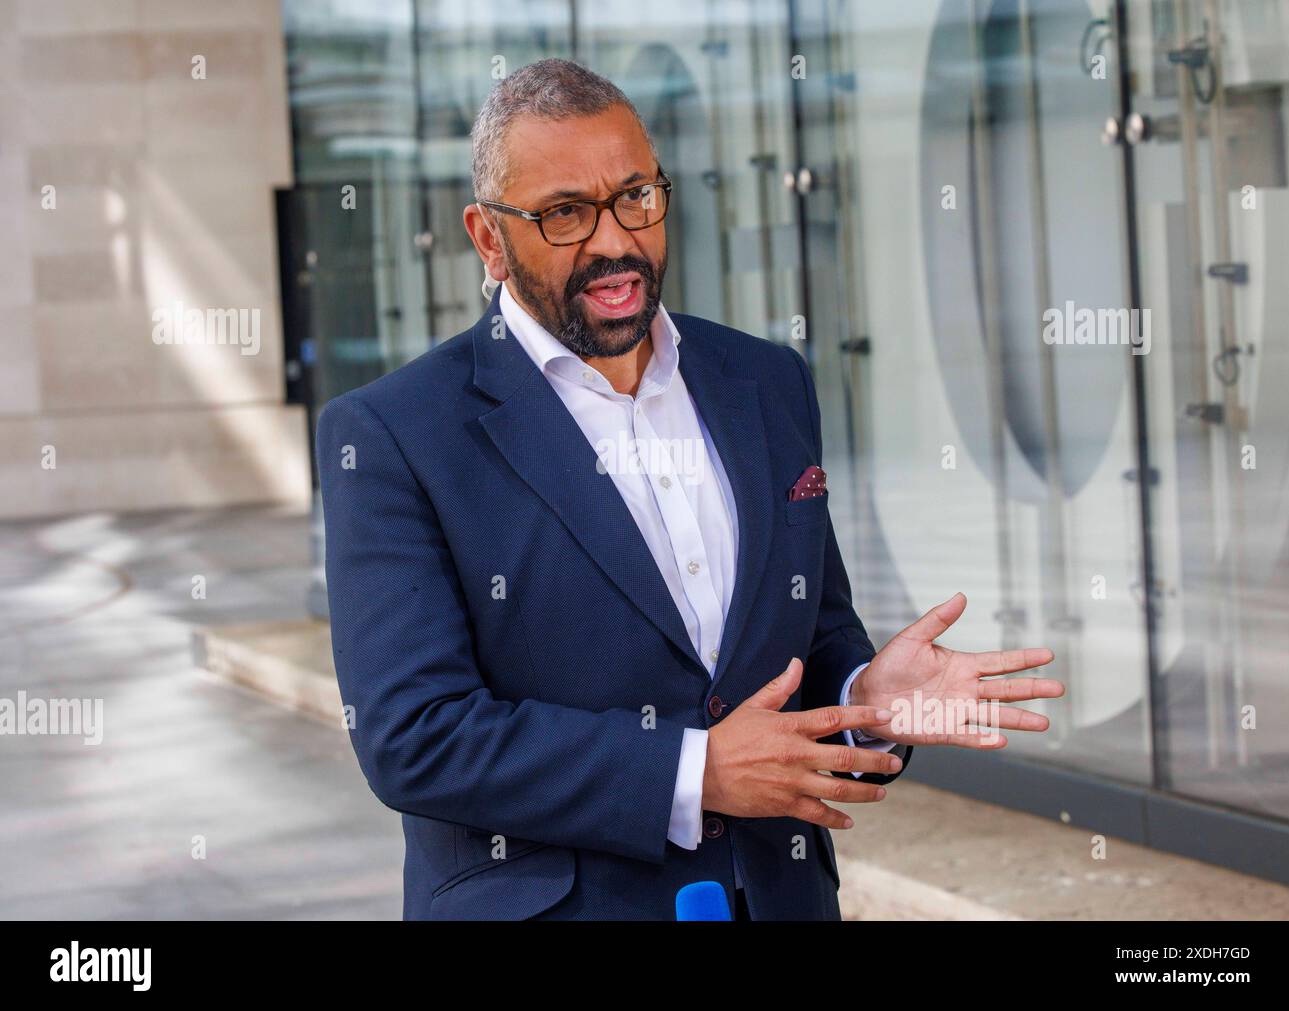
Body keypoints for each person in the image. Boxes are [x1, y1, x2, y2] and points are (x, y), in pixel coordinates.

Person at [316, 58, 1063, 920]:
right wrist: (694, 772)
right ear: (488, 238)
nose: (614, 242)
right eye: (565, 214)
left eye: (635, 195)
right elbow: (416, 737)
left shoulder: (766, 380)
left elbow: (810, 635)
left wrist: (865, 701)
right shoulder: (393, 432)